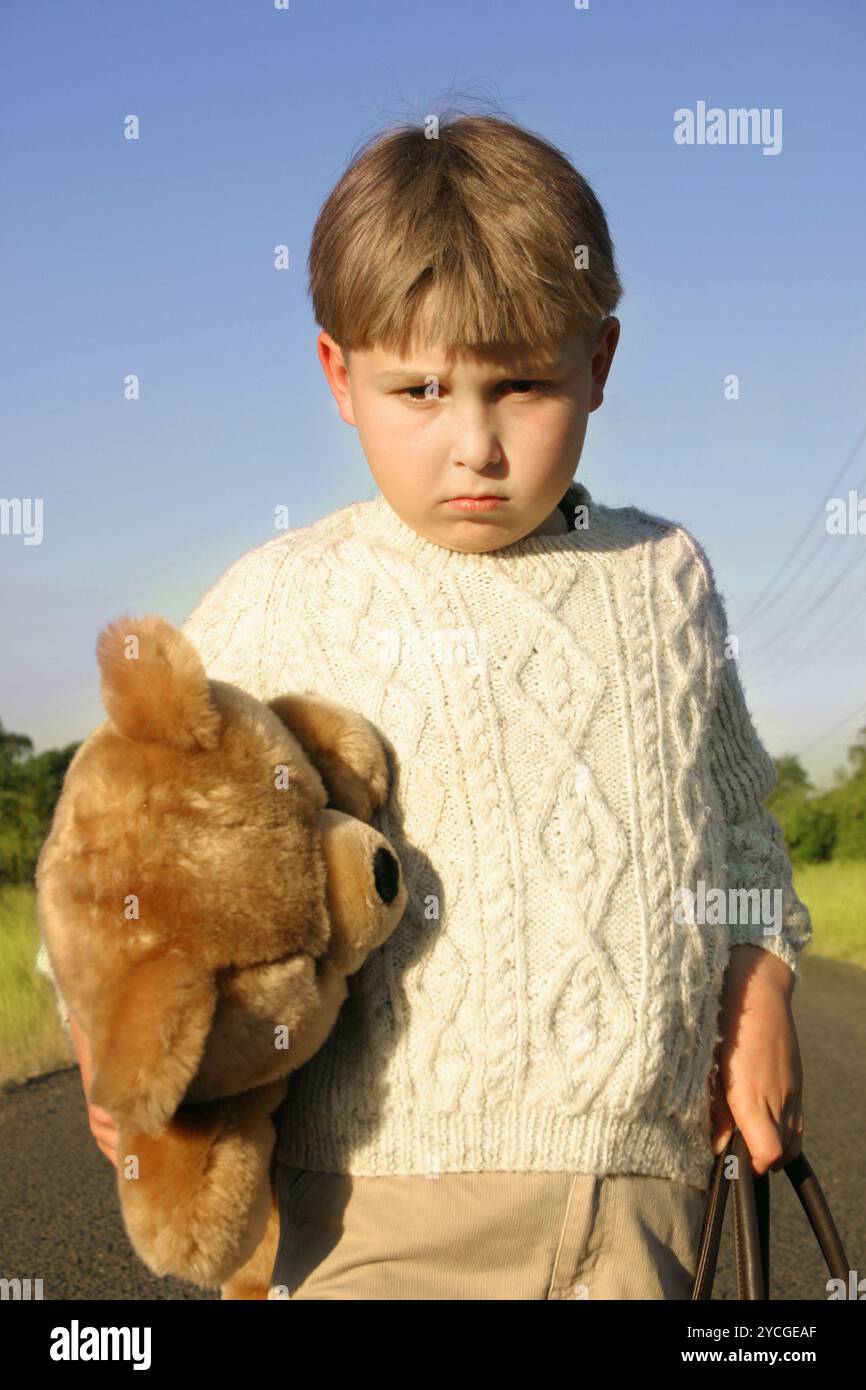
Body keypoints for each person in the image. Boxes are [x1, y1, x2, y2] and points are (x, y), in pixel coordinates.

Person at [36, 109, 810, 1300]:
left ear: (598, 363)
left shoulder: (662, 577)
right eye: (420, 388)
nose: (475, 445)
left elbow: (741, 824)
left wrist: (758, 981)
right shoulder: (285, 594)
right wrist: (111, 1038)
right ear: (338, 376)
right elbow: (119, 840)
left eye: (521, 386)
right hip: (370, 1212)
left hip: (646, 1200)